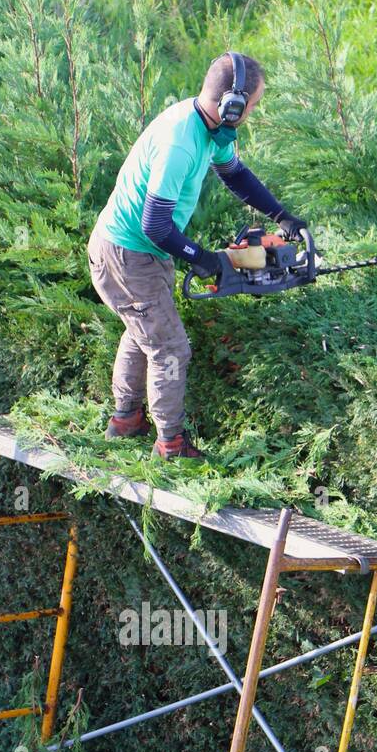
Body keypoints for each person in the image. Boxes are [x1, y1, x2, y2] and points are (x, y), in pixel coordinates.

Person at [88, 51, 306, 461]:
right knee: (170, 348)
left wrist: (281, 216)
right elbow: (155, 225)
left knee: (144, 331)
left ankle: (125, 419)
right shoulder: (180, 142)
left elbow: (235, 175)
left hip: (137, 251)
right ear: (232, 104)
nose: (252, 113)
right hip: (129, 253)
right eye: (252, 105)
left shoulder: (206, 126)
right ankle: (170, 443)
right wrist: (201, 258)